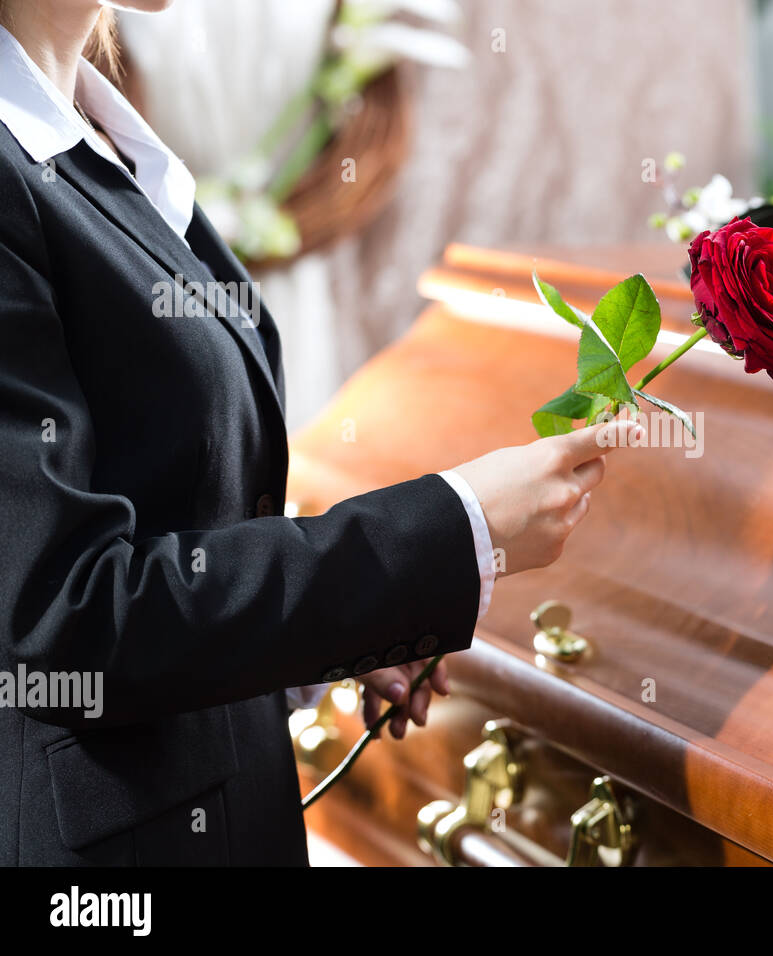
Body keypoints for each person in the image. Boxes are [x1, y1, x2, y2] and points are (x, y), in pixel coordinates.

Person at [0, 0, 639, 866]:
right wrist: (455, 530)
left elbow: (179, 530)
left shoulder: (99, 137)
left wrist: (335, 636)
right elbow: (66, 618)